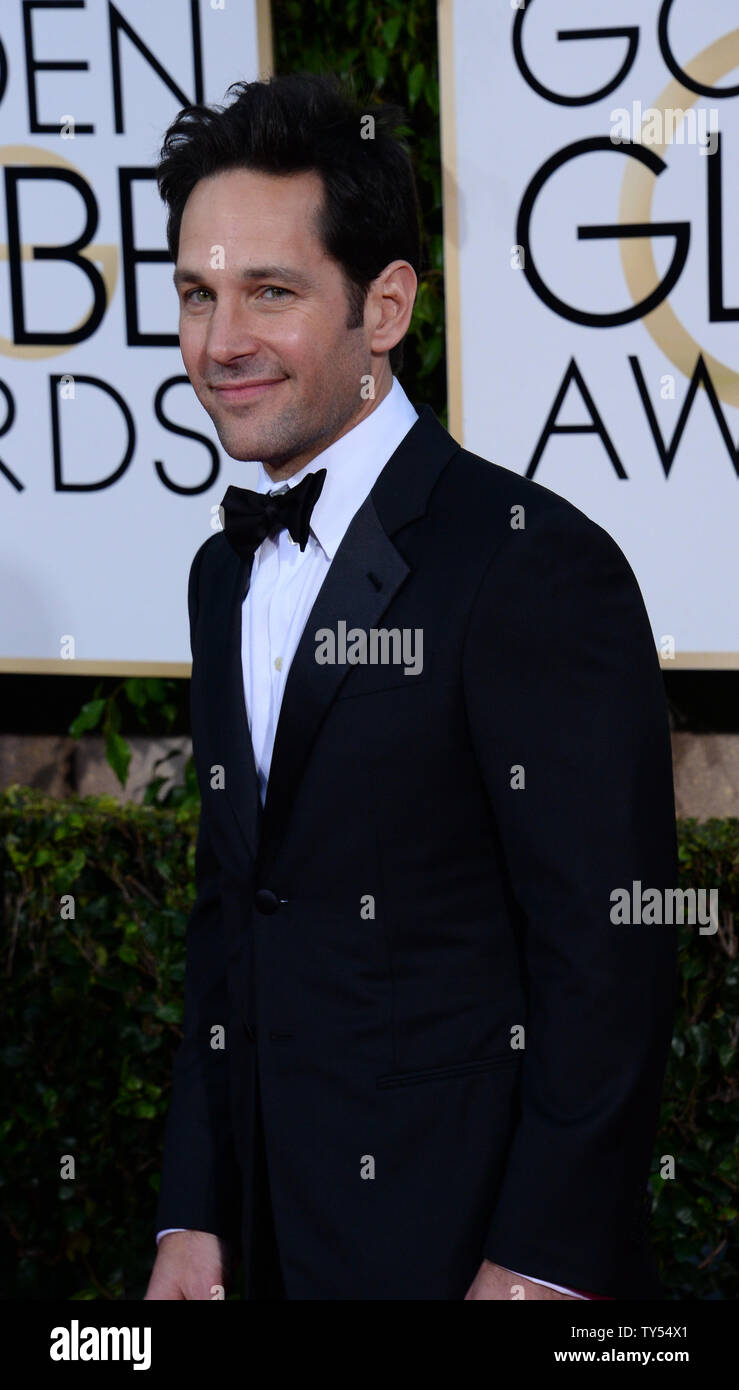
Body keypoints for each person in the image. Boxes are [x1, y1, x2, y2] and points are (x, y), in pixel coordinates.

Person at [145, 72, 678, 1301]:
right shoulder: (219, 576)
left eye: (269, 293)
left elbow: (614, 950)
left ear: (383, 307)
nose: (220, 342)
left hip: (466, 1257)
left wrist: (544, 1263)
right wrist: (193, 1211)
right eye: (195, 294)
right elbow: (234, 921)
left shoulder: (528, 562)